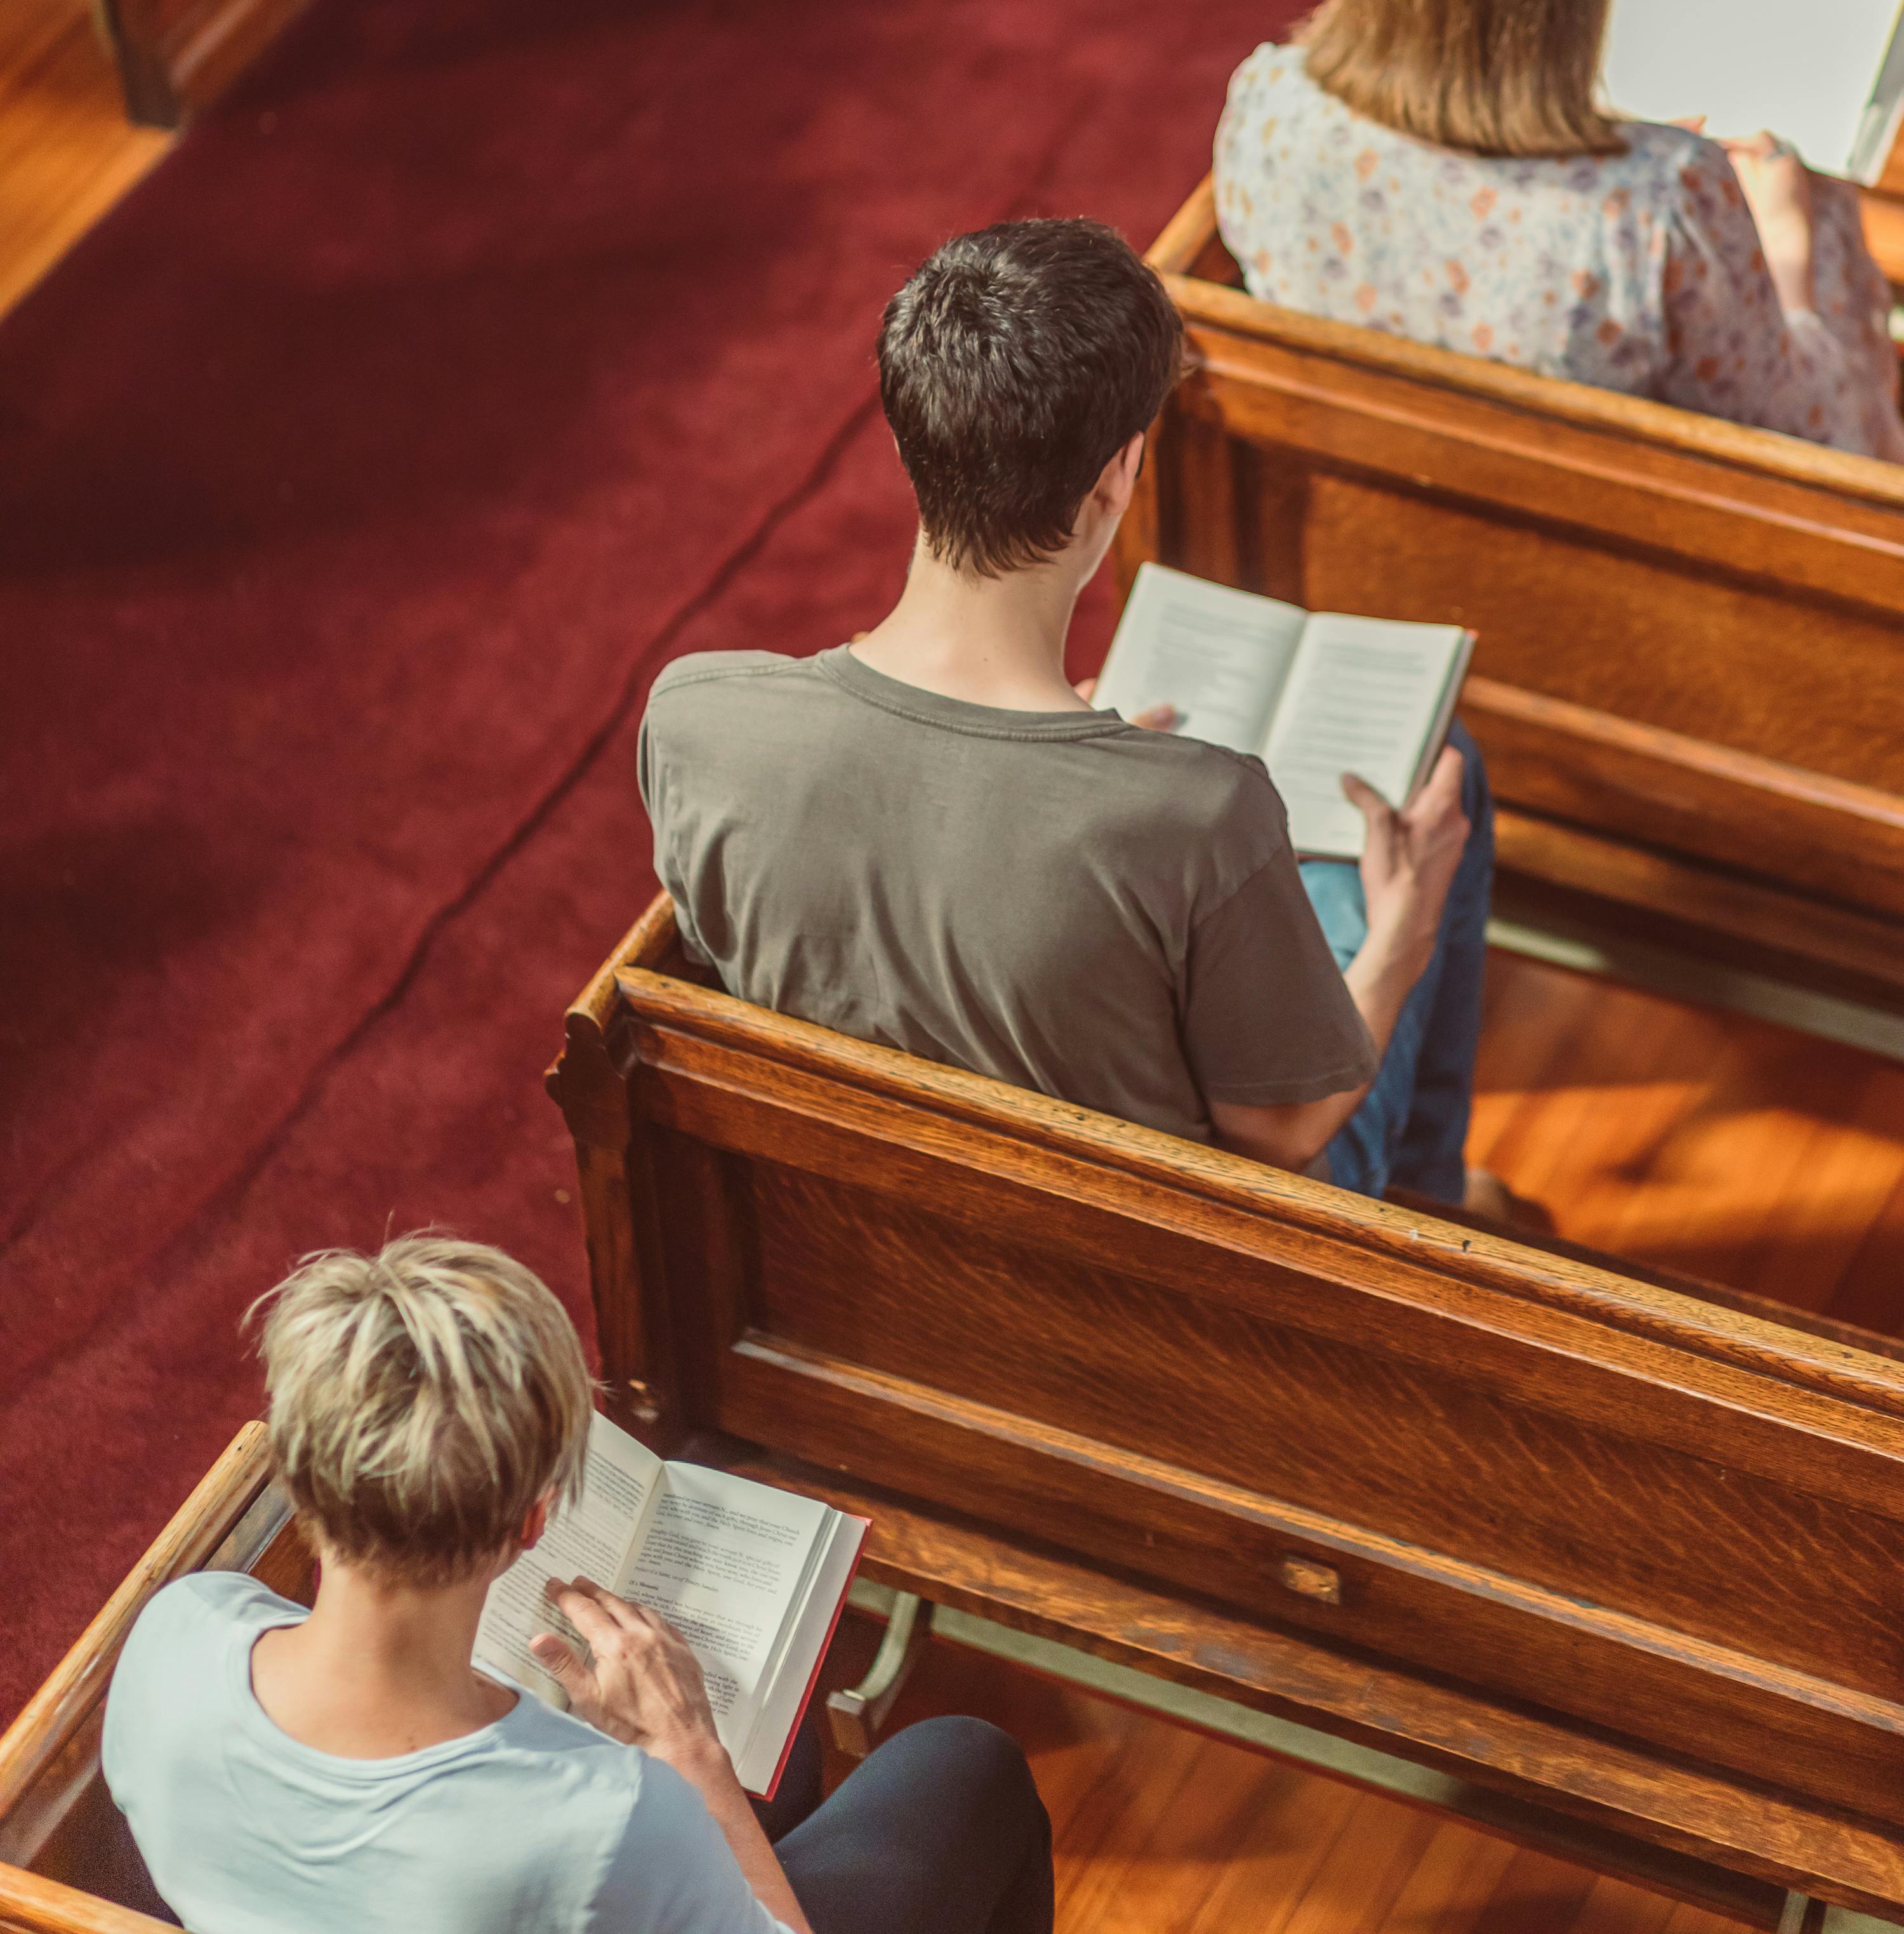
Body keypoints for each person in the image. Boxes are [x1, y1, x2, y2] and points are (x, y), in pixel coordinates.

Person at [640, 216, 1514, 1216]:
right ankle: (1430, 1211)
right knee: (1439, 781)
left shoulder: (697, 718)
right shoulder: (1200, 815)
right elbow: (1285, 1135)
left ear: (908, 434)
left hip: (855, 1230)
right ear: (1118, 476)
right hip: (1159, 1267)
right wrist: (1403, 932)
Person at [102, 1234, 1052, 1934]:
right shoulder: (602, 1821)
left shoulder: (176, 1638)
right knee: (970, 1768)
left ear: (299, 1477)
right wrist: (691, 1758)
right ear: (531, 1523)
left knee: (787, 1739)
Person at [1213, 0, 1904, 462]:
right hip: (1617, 521)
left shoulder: (1268, 109)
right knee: (1816, 208)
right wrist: (1789, 242)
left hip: (1357, 472)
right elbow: (1801, 429)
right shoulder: (1658, 208)